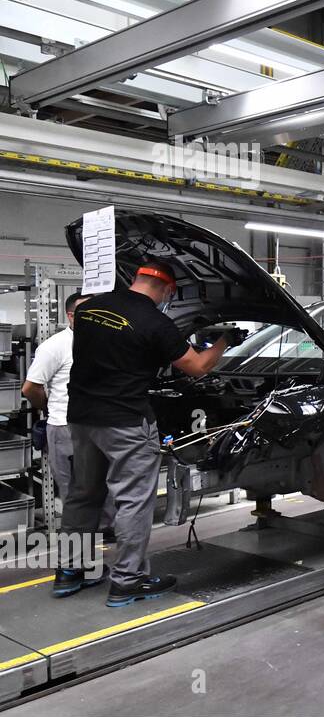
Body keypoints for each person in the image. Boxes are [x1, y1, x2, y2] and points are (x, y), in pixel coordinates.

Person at [56, 259, 238, 606]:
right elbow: (198, 367)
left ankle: (70, 570)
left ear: (136, 278)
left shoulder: (89, 309)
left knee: (83, 494)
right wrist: (223, 342)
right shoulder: (155, 321)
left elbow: (111, 348)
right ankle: (128, 580)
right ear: (169, 290)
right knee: (134, 501)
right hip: (124, 421)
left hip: (80, 416)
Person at [21, 292, 118, 539]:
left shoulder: (104, 342)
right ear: (71, 315)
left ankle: (104, 531)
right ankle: (78, 548)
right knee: (75, 490)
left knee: (105, 484)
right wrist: (49, 408)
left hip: (99, 425)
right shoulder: (54, 346)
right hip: (65, 427)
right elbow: (30, 388)